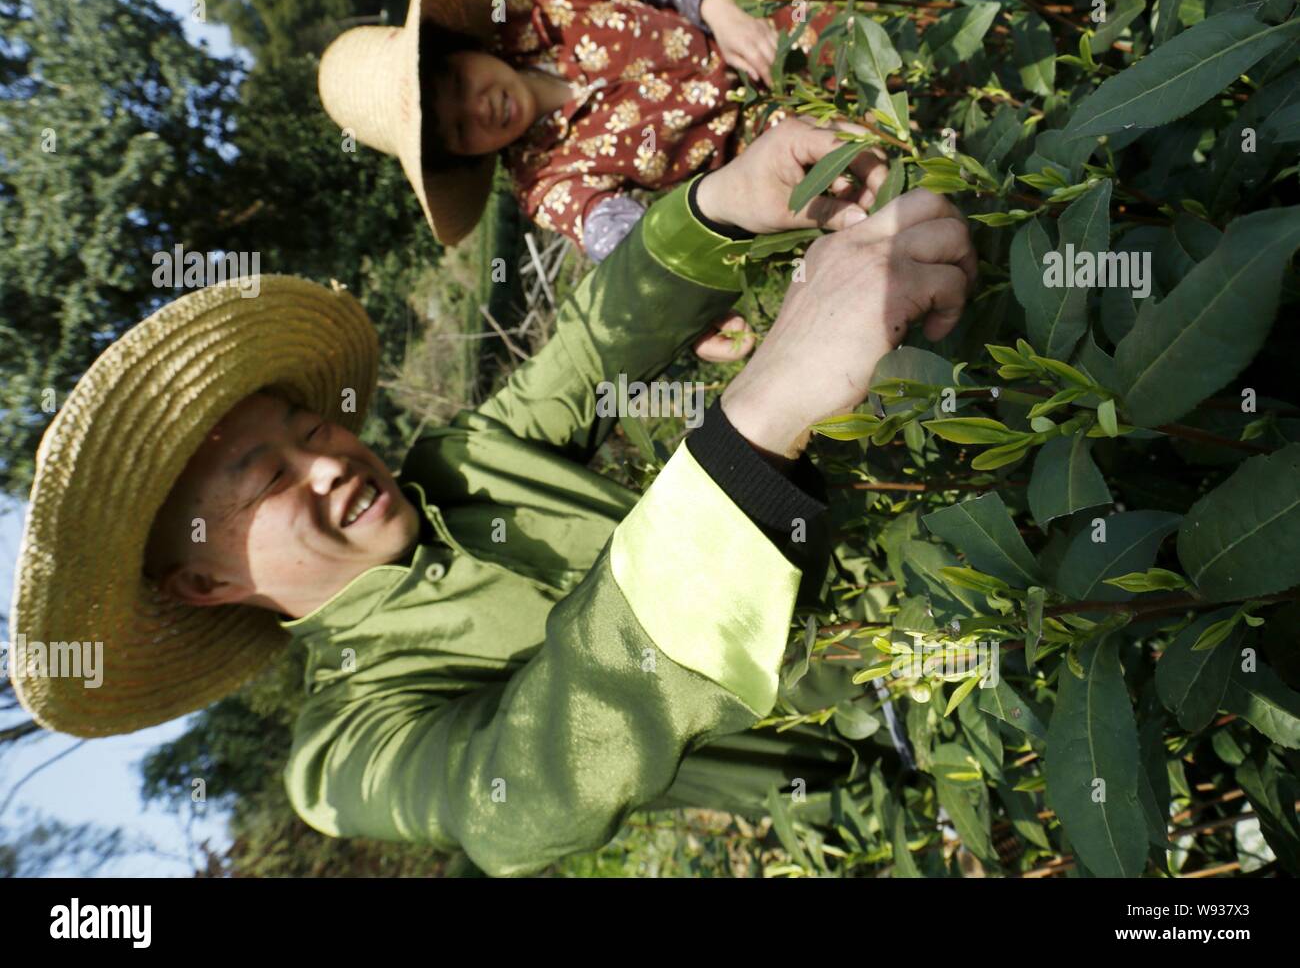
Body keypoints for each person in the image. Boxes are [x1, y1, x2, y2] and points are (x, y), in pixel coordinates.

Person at [8, 119, 977, 877]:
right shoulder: (345, 747)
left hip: (940, 592)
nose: (329, 465)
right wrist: (756, 418)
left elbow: (593, 347)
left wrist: (724, 202)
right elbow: (512, 802)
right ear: (206, 583)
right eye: (267, 480)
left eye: (310, 434)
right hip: (921, 788)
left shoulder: (466, 462)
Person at [318, 0, 835, 264]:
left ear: (462, 47)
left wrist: (720, 10)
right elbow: (622, 242)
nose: (480, 109)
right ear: (463, 157)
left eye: (456, 84)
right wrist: (662, 284)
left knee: (873, 41)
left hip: (771, 38)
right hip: (779, 158)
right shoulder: (545, 183)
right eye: (458, 131)